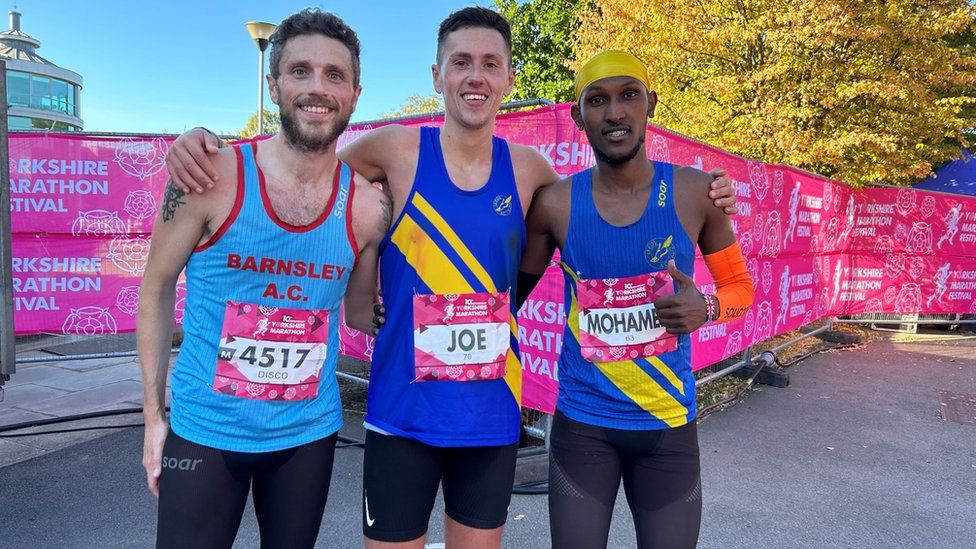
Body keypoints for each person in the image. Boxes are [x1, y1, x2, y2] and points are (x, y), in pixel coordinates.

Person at [164, 8, 739, 548]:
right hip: (400, 414)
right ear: (437, 74)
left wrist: (709, 196)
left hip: (489, 418)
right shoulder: (392, 150)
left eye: (491, 64)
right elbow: (301, 165)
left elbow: (578, 228)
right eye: (461, 62)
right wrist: (206, 147)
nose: (476, 76)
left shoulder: (535, 175)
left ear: (509, 79)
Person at [137, 9, 388, 549]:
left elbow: (361, 313)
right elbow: (155, 288)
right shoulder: (209, 175)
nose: (317, 89)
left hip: (307, 437)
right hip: (204, 432)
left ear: (355, 94)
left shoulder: (367, 208)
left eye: (334, 75)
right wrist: (153, 416)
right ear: (273, 85)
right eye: (300, 72)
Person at [517, 50, 755, 549]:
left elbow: (741, 291)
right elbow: (504, 295)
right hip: (583, 427)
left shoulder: (696, 193)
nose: (615, 112)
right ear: (579, 116)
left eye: (629, 95)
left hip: (667, 428)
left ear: (651, 102)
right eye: (597, 100)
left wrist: (705, 309)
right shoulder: (555, 204)